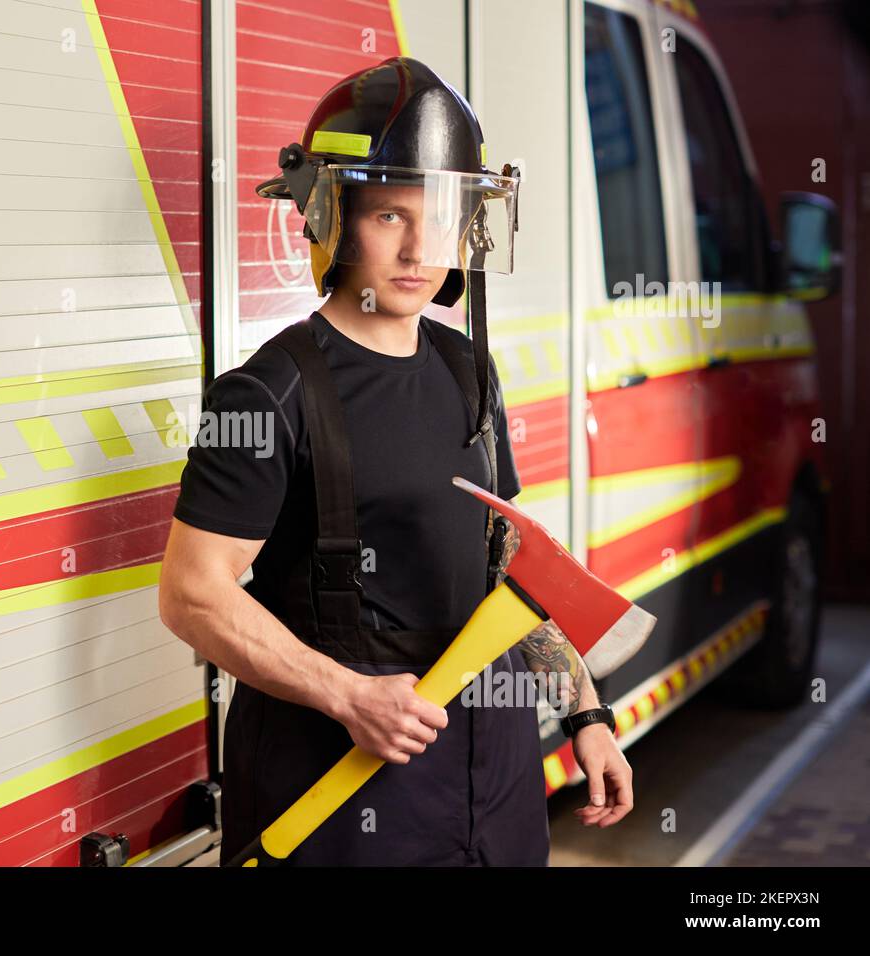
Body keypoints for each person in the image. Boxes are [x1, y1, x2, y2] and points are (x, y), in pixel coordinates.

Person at [158, 57, 632, 866]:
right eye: (387, 216)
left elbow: (510, 564)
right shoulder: (268, 394)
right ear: (331, 217)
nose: (419, 249)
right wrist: (348, 696)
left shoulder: (468, 369)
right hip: (343, 789)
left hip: (495, 782)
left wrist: (586, 714)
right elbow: (190, 596)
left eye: (440, 217)